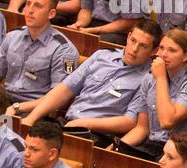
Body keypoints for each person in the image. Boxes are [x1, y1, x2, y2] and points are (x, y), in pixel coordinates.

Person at [19, 20, 160, 137]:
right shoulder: (101, 55)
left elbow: (129, 121)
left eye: (143, 46)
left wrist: (84, 123)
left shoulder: (148, 78)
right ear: (128, 37)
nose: (134, 49)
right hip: (66, 123)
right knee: (19, 133)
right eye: (133, 41)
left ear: (154, 51)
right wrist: (32, 118)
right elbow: (64, 90)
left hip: (95, 134)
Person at [118, 29, 187, 157]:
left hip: (180, 151)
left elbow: (167, 122)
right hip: (152, 145)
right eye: (161, 48)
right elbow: (142, 128)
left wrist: (161, 78)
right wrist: (117, 146)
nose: (163, 54)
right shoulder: (150, 78)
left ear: (186, 56)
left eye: (172, 50)